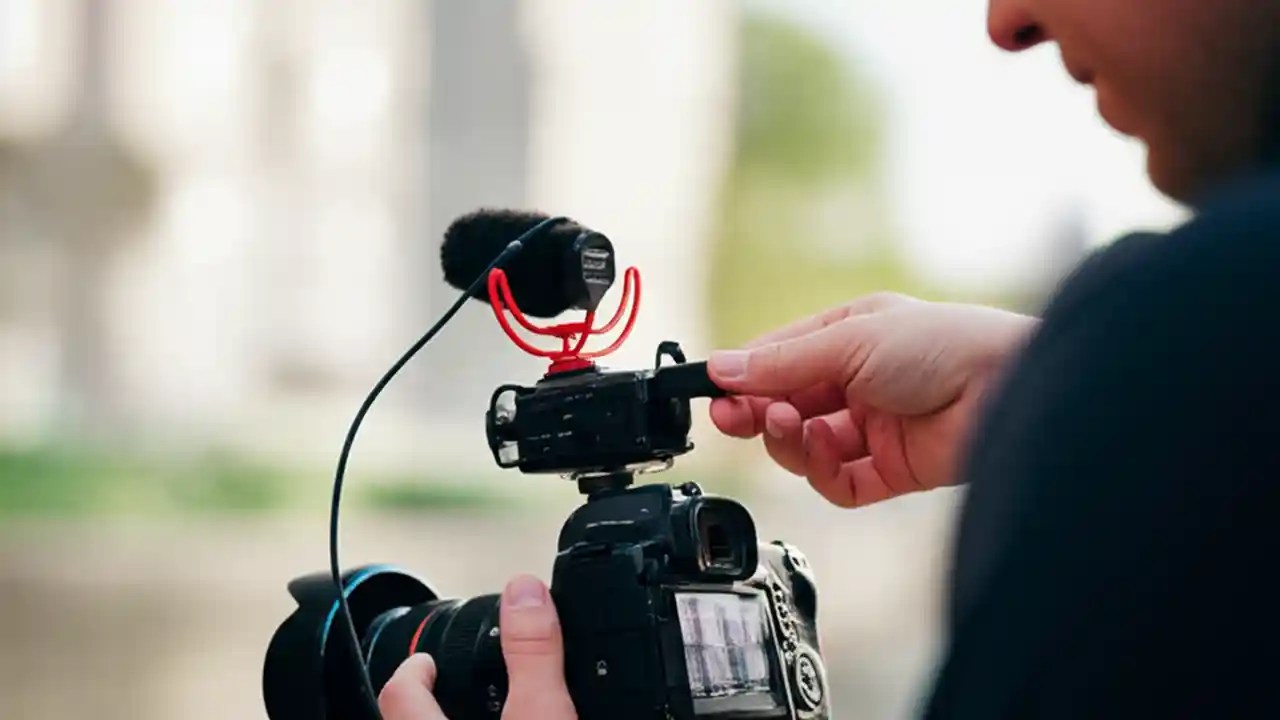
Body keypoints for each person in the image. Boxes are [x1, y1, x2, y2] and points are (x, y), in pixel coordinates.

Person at [380, 0, 1280, 717]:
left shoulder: (1189, 320)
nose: (1006, 21)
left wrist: (1106, 377)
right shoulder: (1189, 350)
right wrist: (1039, 389)